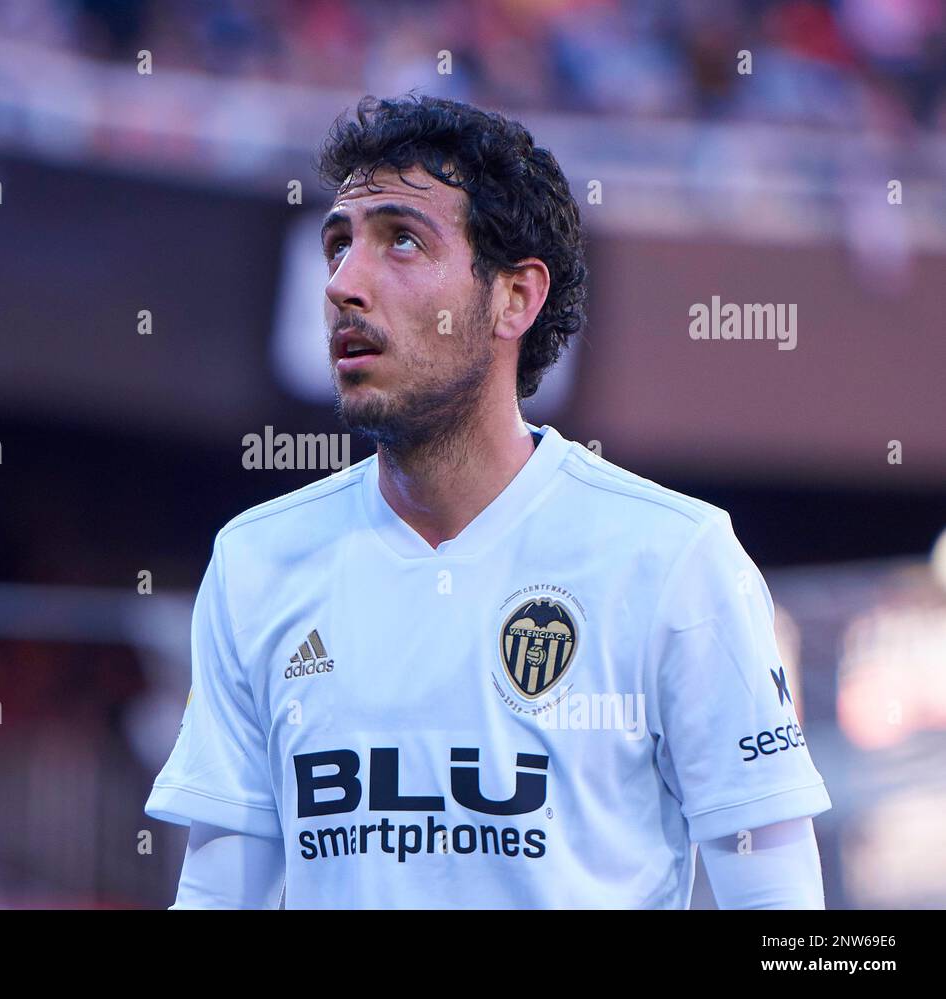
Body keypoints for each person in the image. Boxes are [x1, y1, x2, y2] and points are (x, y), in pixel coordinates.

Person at [146, 93, 830, 908]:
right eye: (338, 244)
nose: (341, 284)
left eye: (400, 239)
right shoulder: (257, 561)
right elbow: (220, 894)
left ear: (515, 297)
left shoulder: (674, 556)